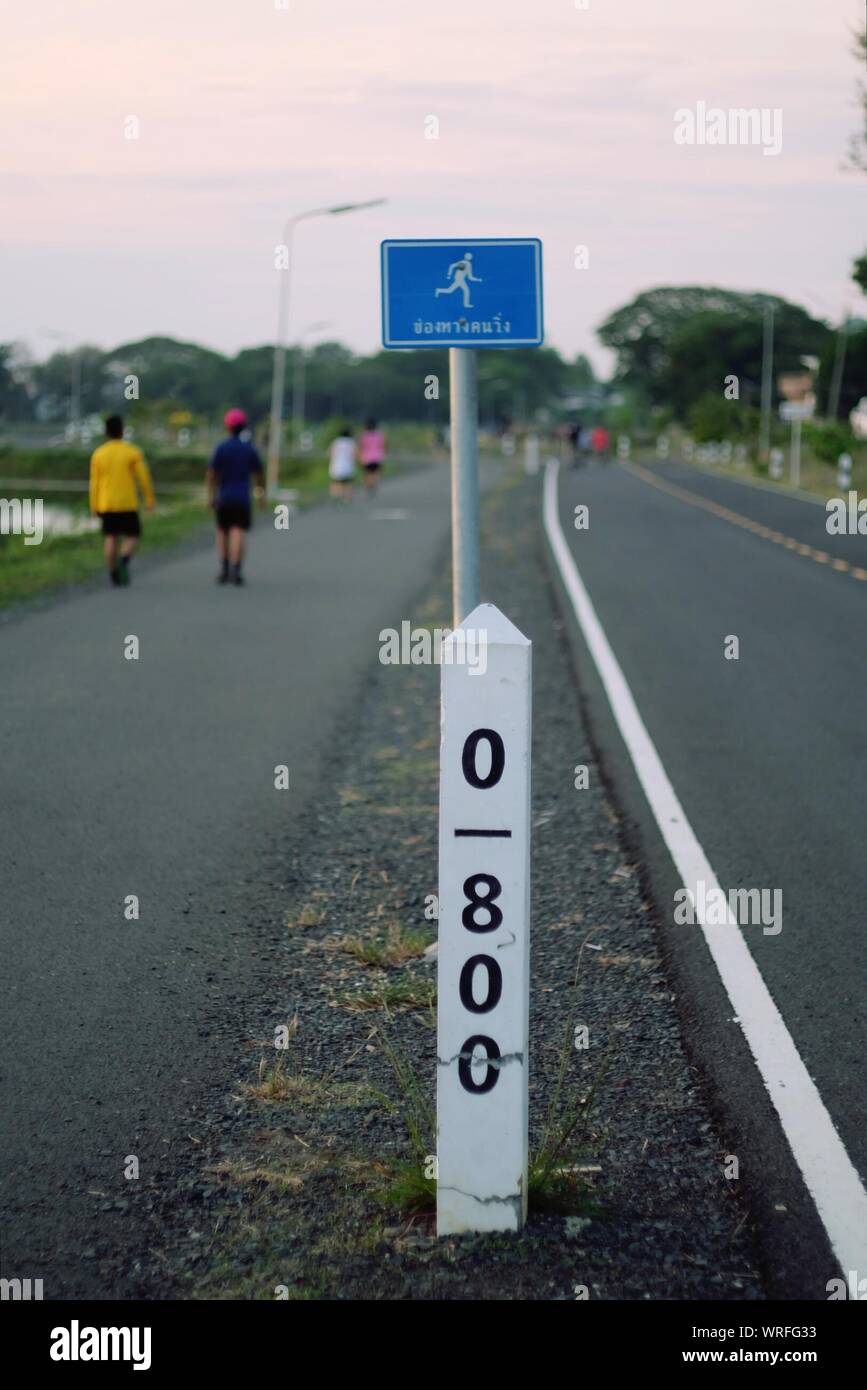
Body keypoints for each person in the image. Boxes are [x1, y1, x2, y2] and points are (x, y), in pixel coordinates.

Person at [89, 414, 155, 586]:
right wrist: (149, 499)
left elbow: (94, 482)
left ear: (106, 432)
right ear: (122, 430)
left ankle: (112, 572)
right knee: (133, 535)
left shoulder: (98, 454)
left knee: (110, 537)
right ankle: (123, 560)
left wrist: (94, 505)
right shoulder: (132, 452)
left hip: (106, 503)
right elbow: (144, 477)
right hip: (127, 503)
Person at [206, 408, 264, 586]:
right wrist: (262, 495)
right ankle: (236, 569)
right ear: (243, 426)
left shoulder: (221, 448)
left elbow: (211, 475)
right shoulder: (249, 449)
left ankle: (224, 569)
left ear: (228, 427)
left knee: (222, 532)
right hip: (242, 498)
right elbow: (259, 475)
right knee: (238, 531)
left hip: (224, 497)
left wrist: (210, 496)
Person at [358, 417, 386, 495]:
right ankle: (374, 484)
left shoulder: (364, 435)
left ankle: (369, 485)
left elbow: (361, 446)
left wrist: (359, 456)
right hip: (377, 457)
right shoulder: (379, 435)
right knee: (375, 473)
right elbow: (383, 445)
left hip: (366, 457)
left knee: (367, 473)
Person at [328, 426, 356, 500]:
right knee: (347, 482)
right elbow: (354, 454)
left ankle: (335, 496)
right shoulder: (351, 442)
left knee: (335, 482)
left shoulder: (336, 441)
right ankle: (348, 498)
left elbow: (330, 452)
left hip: (337, 464)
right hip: (348, 465)